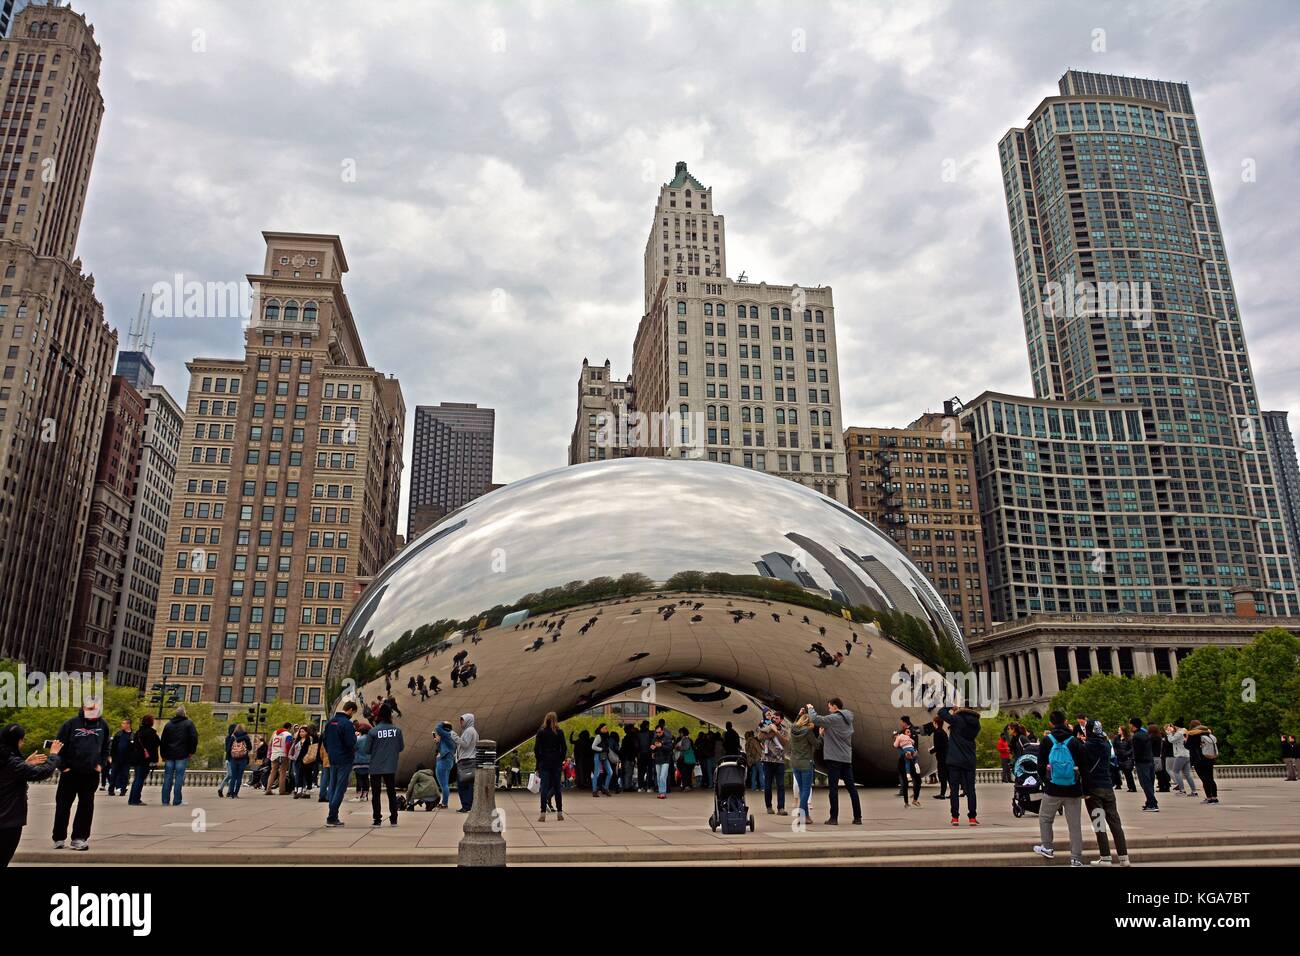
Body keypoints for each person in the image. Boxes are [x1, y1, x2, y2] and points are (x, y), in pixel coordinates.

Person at [51, 699, 110, 851]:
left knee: (86, 806)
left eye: (95, 708)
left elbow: (106, 748)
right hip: (70, 773)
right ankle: (59, 837)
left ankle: (79, 838)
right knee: (63, 805)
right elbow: (57, 746)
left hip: (90, 774)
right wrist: (63, 767)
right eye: (89, 707)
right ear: (83, 707)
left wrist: (101, 765)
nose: (92, 710)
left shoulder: (103, 726)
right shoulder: (70, 724)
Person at [1, 725, 64, 867]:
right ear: (17, 741)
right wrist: (53, 755)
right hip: (7, 820)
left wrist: (25, 764)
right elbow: (42, 772)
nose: (22, 744)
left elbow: (10, 773)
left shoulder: (7, 759)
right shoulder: (12, 762)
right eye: (22, 740)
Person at [1032, 710, 1088, 866]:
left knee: (1045, 818)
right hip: (1073, 789)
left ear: (1051, 723)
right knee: (1074, 825)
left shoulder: (1046, 741)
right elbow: (1084, 767)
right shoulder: (1074, 741)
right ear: (1065, 721)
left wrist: (1046, 781)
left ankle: (1048, 847)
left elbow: (1040, 765)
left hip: (1053, 789)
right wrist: (1085, 789)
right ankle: (1076, 858)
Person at [806, 698, 861, 825]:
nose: (829, 710)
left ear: (835, 707)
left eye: (829, 707)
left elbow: (815, 719)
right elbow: (838, 736)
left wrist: (810, 707)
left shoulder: (835, 718)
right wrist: (826, 734)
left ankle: (833, 818)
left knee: (833, 789)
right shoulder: (848, 720)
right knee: (851, 787)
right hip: (846, 758)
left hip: (834, 758)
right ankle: (858, 817)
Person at [1082, 720, 1130, 866]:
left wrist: (1085, 791)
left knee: (1099, 824)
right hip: (1107, 786)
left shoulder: (1086, 747)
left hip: (1093, 788)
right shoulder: (1106, 744)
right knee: (1115, 822)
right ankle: (1124, 857)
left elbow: (1084, 770)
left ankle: (1105, 856)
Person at [938, 704, 980, 826]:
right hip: (969, 760)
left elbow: (941, 713)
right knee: (971, 790)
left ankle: (955, 817)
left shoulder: (957, 720)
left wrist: (950, 707)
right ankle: (972, 817)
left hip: (955, 760)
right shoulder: (976, 724)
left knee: (954, 790)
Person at [366, 705, 404, 826]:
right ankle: (394, 818)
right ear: (390, 716)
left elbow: (367, 750)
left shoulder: (373, 731)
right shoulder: (397, 731)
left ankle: (377, 819)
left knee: (376, 794)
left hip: (375, 766)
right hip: (390, 765)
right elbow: (401, 747)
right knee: (391, 793)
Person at [322, 701, 358, 825]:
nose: (352, 715)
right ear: (351, 710)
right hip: (345, 758)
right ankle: (332, 816)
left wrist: (330, 752)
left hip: (333, 758)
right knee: (340, 787)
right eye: (353, 713)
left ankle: (333, 814)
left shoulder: (330, 722)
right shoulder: (347, 724)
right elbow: (351, 742)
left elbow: (325, 740)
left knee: (332, 785)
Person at [159, 704, 198, 806]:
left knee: (167, 777)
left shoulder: (168, 725)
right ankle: (177, 800)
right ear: (184, 713)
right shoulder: (188, 724)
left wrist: (163, 754)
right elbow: (194, 738)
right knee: (179, 777)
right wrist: (191, 751)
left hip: (169, 755)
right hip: (182, 754)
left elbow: (163, 741)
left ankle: (165, 801)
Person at [534, 711, 567, 822]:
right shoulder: (559, 732)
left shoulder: (541, 732)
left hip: (544, 761)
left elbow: (536, 748)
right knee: (557, 787)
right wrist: (560, 759)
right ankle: (559, 812)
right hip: (556, 761)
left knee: (544, 787)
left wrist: (539, 760)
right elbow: (564, 748)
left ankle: (543, 812)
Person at [757, 711, 790, 815]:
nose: (774, 719)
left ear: (781, 720)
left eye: (776, 718)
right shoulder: (767, 727)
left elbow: (785, 742)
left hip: (779, 761)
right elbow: (760, 737)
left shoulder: (784, 730)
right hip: (767, 760)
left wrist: (776, 732)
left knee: (780, 785)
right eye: (773, 717)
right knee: (768, 785)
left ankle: (781, 808)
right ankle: (769, 806)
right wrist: (771, 732)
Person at [789, 708, 817, 823]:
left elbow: (794, 725)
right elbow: (817, 744)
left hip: (795, 763)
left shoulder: (793, 730)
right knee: (806, 790)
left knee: (802, 790)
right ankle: (801, 813)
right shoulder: (808, 732)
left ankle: (806, 817)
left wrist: (798, 714)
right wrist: (821, 735)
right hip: (806, 763)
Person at [127, 714, 160, 805]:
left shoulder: (138, 732)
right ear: (151, 723)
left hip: (137, 758)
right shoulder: (151, 733)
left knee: (137, 778)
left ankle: (132, 799)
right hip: (145, 759)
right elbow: (155, 745)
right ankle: (135, 800)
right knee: (140, 779)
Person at [449, 713, 479, 812]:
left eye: (462, 720)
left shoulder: (469, 731)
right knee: (468, 785)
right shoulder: (472, 731)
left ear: (468, 721)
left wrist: (455, 737)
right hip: (469, 760)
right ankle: (468, 805)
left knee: (463, 785)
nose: (461, 722)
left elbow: (465, 745)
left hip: (466, 761)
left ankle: (466, 806)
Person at [1185, 720, 1219, 804]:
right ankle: (1215, 797)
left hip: (1198, 760)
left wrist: (1185, 740)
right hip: (1209, 758)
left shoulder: (1192, 734)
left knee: (1204, 779)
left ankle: (1209, 798)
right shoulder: (1208, 732)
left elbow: (1188, 746)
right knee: (1211, 779)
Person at [1129, 718, 1159, 812]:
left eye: (1130, 724)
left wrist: (1133, 761)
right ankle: (1150, 802)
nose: (1129, 726)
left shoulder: (1136, 736)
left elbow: (1137, 751)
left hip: (1142, 762)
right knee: (1150, 782)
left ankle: (1152, 803)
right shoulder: (1146, 734)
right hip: (1150, 760)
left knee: (1145, 783)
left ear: (1133, 725)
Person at [894, 718, 921, 808]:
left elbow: (915, 747)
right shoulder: (900, 735)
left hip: (912, 759)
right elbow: (897, 747)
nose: (900, 724)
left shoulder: (913, 733)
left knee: (918, 780)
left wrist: (914, 755)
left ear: (905, 723)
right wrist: (905, 754)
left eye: (901, 722)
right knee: (905, 782)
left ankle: (915, 800)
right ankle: (906, 802)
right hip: (903, 760)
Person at [1166, 722, 1199, 796]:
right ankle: (1194, 791)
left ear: (1176, 726)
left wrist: (1169, 733)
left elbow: (1171, 740)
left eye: (1173, 726)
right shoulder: (1185, 731)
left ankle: (1182, 790)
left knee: (1175, 771)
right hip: (1187, 754)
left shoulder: (1179, 733)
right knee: (1187, 774)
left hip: (1180, 755)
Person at [107, 719, 133, 797]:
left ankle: (123, 790)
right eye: (122, 723)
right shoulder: (118, 734)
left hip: (126, 759)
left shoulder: (133, 735)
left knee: (125, 775)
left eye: (124, 723)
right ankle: (111, 789)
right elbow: (113, 746)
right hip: (116, 758)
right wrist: (110, 756)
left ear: (128, 725)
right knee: (113, 774)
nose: (122, 725)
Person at [225, 723, 252, 798]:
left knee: (233, 776)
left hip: (233, 759)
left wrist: (229, 757)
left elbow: (228, 748)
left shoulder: (233, 736)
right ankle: (235, 793)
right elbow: (250, 748)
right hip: (243, 759)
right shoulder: (246, 737)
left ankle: (231, 793)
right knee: (239, 777)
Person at [433, 721, 456, 808]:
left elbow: (438, 728)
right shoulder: (447, 737)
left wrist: (442, 722)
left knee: (443, 784)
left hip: (443, 761)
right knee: (444, 783)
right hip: (447, 761)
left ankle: (444, 803)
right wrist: (438, 742)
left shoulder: (447, 734)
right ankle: (444, 802)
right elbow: (440, 748)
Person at [266, 723, 291, 795]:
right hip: (283, 754)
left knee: (272, 772)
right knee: (282, 773)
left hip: (274, 754)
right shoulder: (288, 734)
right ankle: (282, 790)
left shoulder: (275, 733)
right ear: (289, 727)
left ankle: (268, 789)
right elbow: (288, 745)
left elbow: (270, 744)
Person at [650, 720, 673, 798]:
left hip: (666, 760)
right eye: (656, 732)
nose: (658, 734)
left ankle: (663, 792)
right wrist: (652, 749)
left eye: (659, 732)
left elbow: (670, 748)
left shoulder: (667, 738)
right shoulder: (654, 739)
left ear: (663, 731)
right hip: (657, 760)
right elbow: (652, 748)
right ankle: (660, 792)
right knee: (659, 777)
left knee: (663, 776)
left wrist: (661, 746)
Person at [929, 715, 950, 800]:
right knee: (947, 776)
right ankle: (951, 792)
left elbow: (938, 746)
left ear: (935, 723)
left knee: (942, 776)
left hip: (941, 757)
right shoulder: (943, 732)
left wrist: (931, 751)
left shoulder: (937, 732)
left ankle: (942, 794)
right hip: (946, 756)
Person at [352, 720, 372, 800]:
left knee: (359, 779)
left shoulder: (358, 739)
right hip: (368, 762)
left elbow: (353, 748)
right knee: (366, 778)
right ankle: (365, 795)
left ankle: (358, 795)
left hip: (358, 762)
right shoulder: (371, 741)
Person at [1113, 725, 1136, 792]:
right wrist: (1116, 752)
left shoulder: (1129, 738)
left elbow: (1132, 748)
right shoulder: (1116, 738)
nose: (1118, 731)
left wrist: (1127, 753)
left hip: (1127, 758)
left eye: (1119, 730)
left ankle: (1132, 787)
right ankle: (1128, 787)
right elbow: (1114, 746)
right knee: (1125, 773)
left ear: (1123, 731)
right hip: (1119, 758)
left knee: (1128, 772)